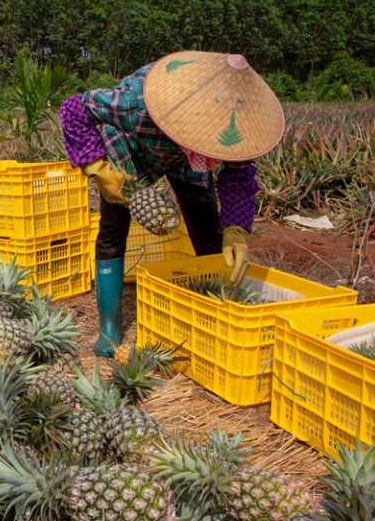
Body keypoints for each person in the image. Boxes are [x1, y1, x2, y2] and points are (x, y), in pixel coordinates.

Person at [60, 50, 285, 357]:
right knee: (113, 225)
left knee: (209, 227)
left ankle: (218, 307)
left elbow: (238, 173)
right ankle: (109, 324)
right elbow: (73, 108)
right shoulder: (135, 104)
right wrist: (98, 168)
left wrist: (236, 230)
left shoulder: (237, 125)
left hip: (187, 160)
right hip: (130, 144)